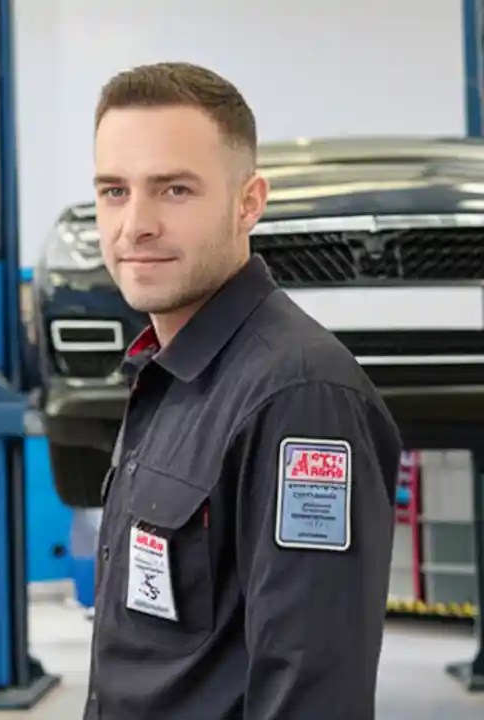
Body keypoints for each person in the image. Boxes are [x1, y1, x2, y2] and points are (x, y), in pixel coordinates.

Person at [82, 62, 403, 719]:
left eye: (174, 190)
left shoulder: (300, 398)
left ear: (248, 202)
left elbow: (313, 690)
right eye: (114, 191)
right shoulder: (168, 377)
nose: (134, 225)